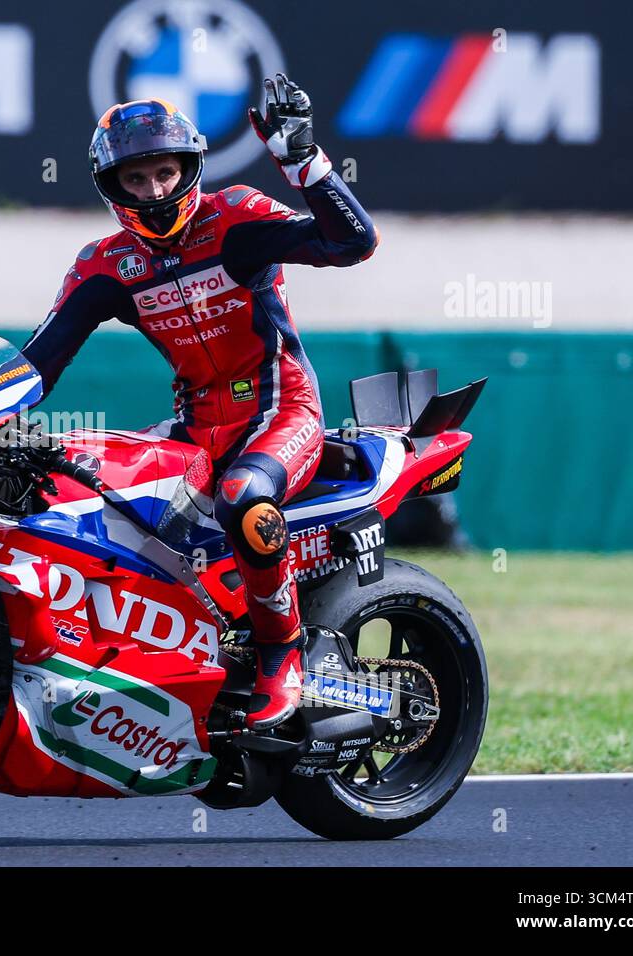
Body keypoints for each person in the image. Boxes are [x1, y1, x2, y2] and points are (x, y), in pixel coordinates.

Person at [22, 76, 378, 732]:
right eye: (137, 179)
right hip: (195, 427)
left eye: (165, 172)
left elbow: (352, 244)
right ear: (113, 188)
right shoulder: (104, 265)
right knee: (93, 491)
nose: (155, 191)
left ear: (190, 169)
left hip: (282, 412)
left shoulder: (237, 216)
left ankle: (282, 656)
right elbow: (38, 362)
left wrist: (305, 160)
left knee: (244, 495)